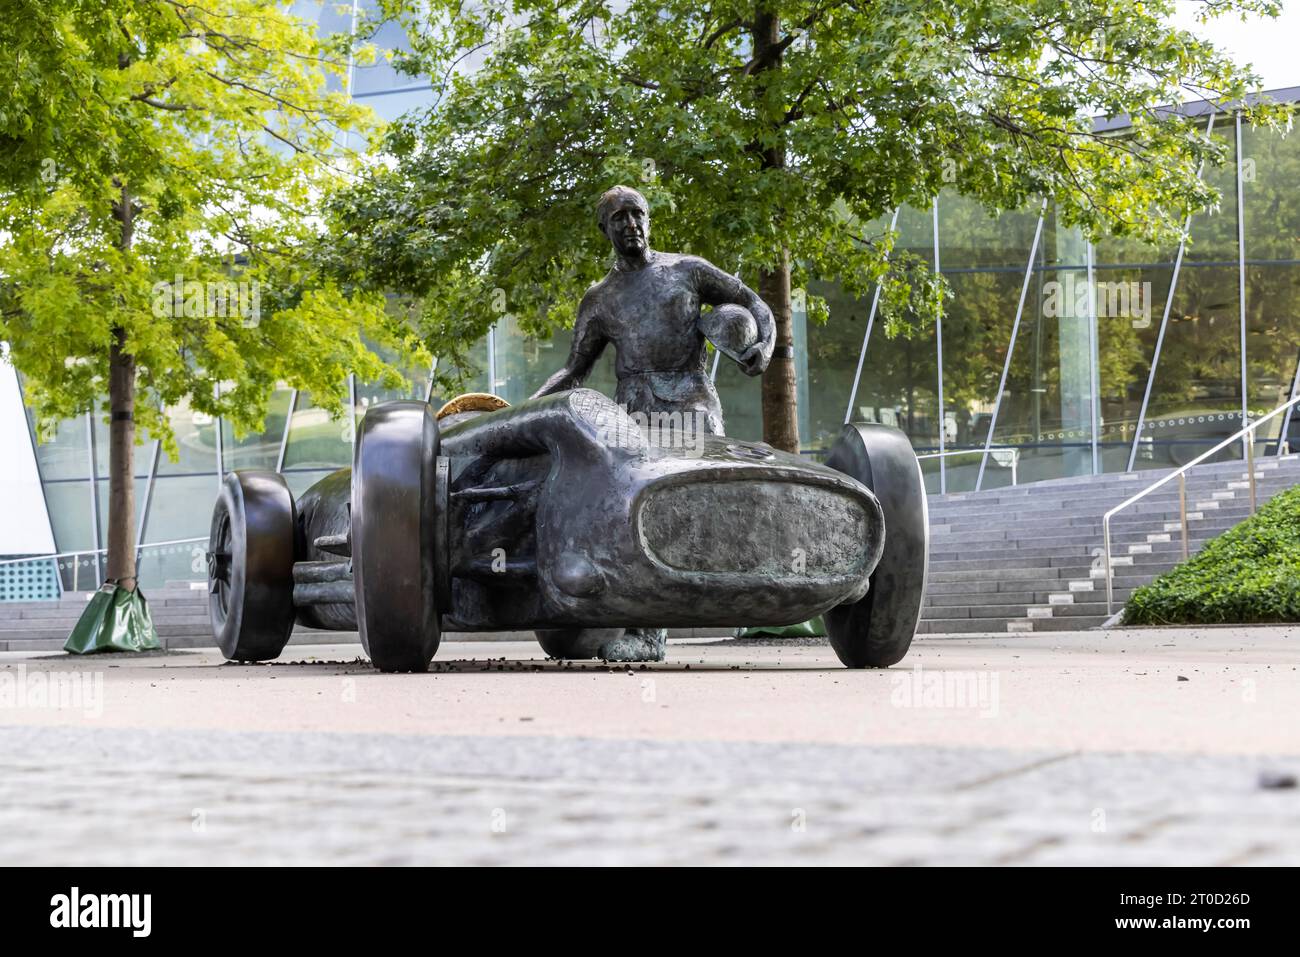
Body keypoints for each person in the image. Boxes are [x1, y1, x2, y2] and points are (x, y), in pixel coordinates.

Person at [531, 185, 776, 661]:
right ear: (604, 229)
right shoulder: (600, 298)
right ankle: (647, 632)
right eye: (619, 218)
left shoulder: (688, 270)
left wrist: (762, 347)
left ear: (649, 219)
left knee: (708, 497)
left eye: (637, 214)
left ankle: (747, 592)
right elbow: (574, 370)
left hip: (692, 400)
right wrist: (525, 408)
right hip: (636, 409)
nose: (631, 225)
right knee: (639, 511)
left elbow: (755, 303)